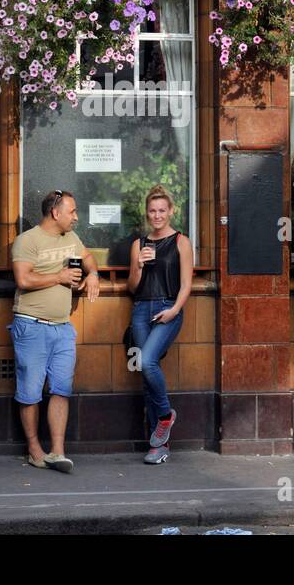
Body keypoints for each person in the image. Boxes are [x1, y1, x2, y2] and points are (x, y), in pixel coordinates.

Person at [10, 190, 100, 472]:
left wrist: (94, 274)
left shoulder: (70, 238)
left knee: (61, 389)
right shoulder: (28, 240)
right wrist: (59, 277)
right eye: (72, 211)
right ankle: (34, 448)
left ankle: (57, 451)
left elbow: (87, 257)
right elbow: (23, 279)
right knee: (30, 392)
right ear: (55, 213)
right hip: (32, 326)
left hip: (63, 328)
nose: (76, 217)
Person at [126, 185, 194, 465]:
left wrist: (174, 310)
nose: (157, 215)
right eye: (152, 211)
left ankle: (165, 415)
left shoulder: (181, 242)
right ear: (147, 213)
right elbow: (131, 287)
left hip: (168, 308)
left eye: (162, 210)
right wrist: (139, 266)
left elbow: (186, 284)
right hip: (142, 309)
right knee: (145, 375)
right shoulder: (138, 244)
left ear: (171, 211)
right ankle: (158, 446)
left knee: (147, 361)